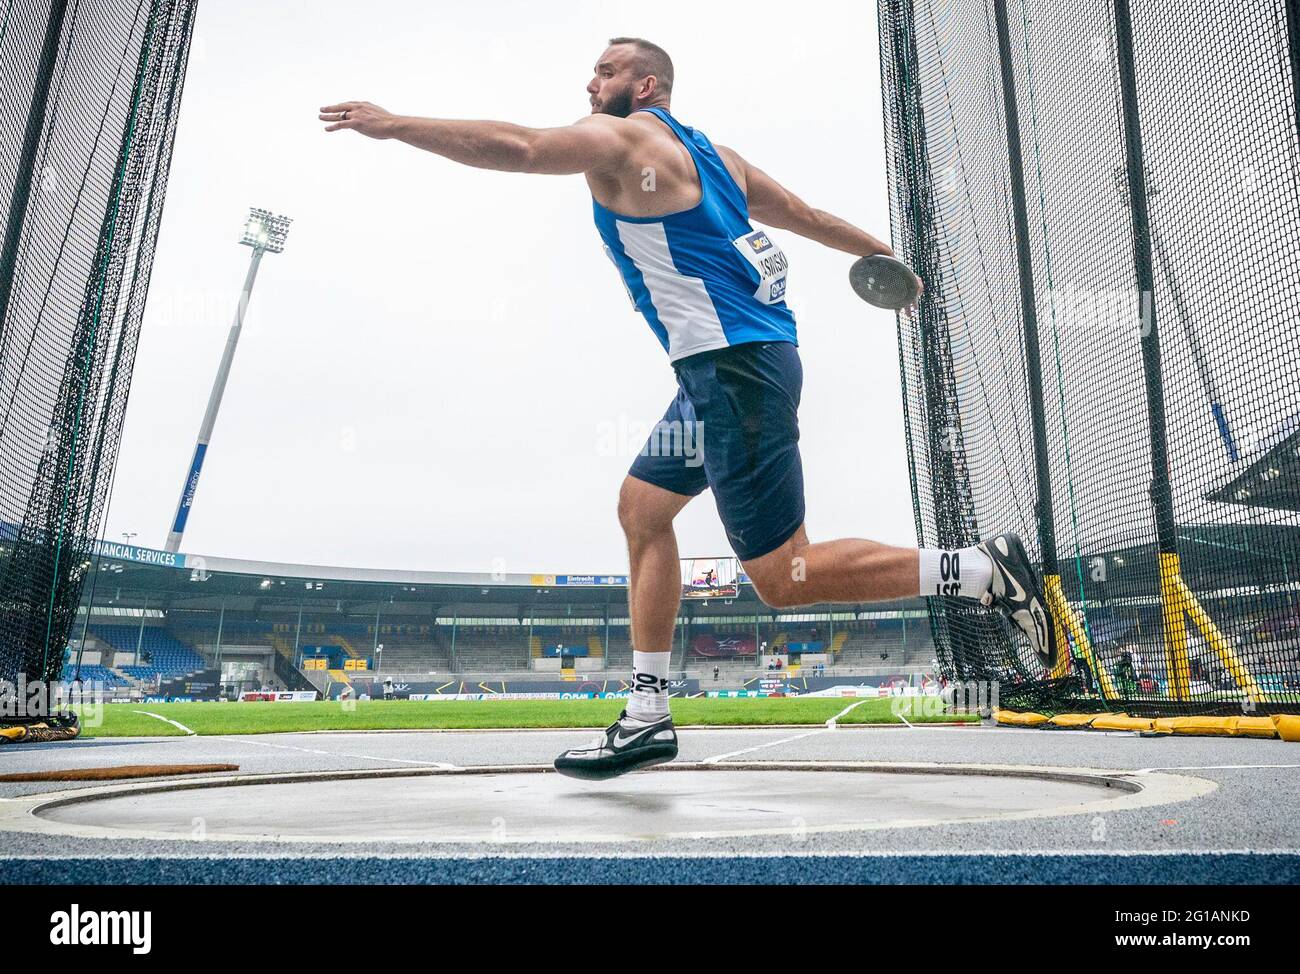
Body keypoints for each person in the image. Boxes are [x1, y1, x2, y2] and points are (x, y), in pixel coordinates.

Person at [320, 37, 1057, 780]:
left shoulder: (621, 138)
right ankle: (648, 712)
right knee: (643, 509)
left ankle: (976, 569)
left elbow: (518, 146)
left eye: (604, 71)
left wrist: (396, 124)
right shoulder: (719, 158)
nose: (589, 82)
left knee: (783, 575)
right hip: (725, 371)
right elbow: (801, 213)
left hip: (736, 373)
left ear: (645, 86)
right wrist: (884, 258)